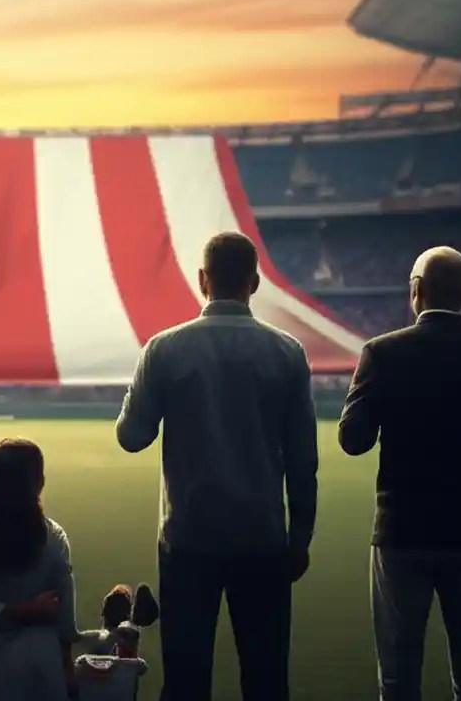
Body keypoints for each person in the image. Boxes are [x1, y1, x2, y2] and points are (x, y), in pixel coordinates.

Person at [116, 231, 318, 700]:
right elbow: (303, 458)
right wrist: (300, 538)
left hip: (188, 538)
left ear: (202, 279)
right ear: (254, 282)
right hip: (263, 538)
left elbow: (131, 437)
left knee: (185, 680)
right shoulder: (287, 352)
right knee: (266, 679)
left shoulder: (164, 349)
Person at [340, 246, 461, 701]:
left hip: (403, 532)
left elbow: (354, 441)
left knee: (398, 675)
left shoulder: (382, 353)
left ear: (416, 290)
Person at [0, 438, 78, 701]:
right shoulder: (54, 537)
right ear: (37, 483)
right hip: (41, 660)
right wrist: (66, 666)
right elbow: (64, 616)